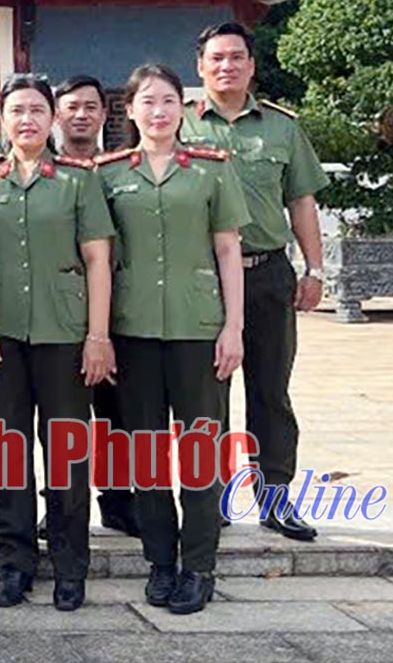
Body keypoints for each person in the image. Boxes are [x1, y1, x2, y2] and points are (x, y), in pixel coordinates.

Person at [99, 63, 249, 616]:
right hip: (133, 329)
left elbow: (229, 249)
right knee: (146, 454)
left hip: (197, 329)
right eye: (147, 102)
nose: (158, 112)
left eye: (168, 101)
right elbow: (101, 258)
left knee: (200, 452)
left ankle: (199, 566)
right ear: (130, 110)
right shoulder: (108, 174)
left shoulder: (210, 170)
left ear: (182, 109)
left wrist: (234, 326)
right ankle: (160, 562)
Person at [0, 75, 116, 611]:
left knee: (69, 453)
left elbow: (98, 259)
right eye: (16, 111)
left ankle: (71, 566)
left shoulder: (77, 181)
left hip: (66, 335)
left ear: (51, 120)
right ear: (0, 121)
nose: (27, 120)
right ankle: (15, 563)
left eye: (36, 111)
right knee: (6, 451)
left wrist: (98, 335)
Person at [180, 22, 330, 542]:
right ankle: (211, 499)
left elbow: (302, 201)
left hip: (266, 273)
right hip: (200, 278)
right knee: (205, 395)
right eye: (216, 59)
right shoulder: (179, 126)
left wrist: (314, 268)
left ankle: (275, 497)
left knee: (270, 390)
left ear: (251, 66)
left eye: (236, 58)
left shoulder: (283, 128)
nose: (226, 67)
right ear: (200, 67)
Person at [53, 75, 139, 539]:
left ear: (106, 115)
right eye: (72, 107)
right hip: (57, 310)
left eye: (90, 106)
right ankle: (60, 506)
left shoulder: (120, 170)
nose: (81, 114)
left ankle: (119, 499)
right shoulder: (42, 169)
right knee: (61, 416)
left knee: (116, 409)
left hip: (117, 306)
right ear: (57, 115)